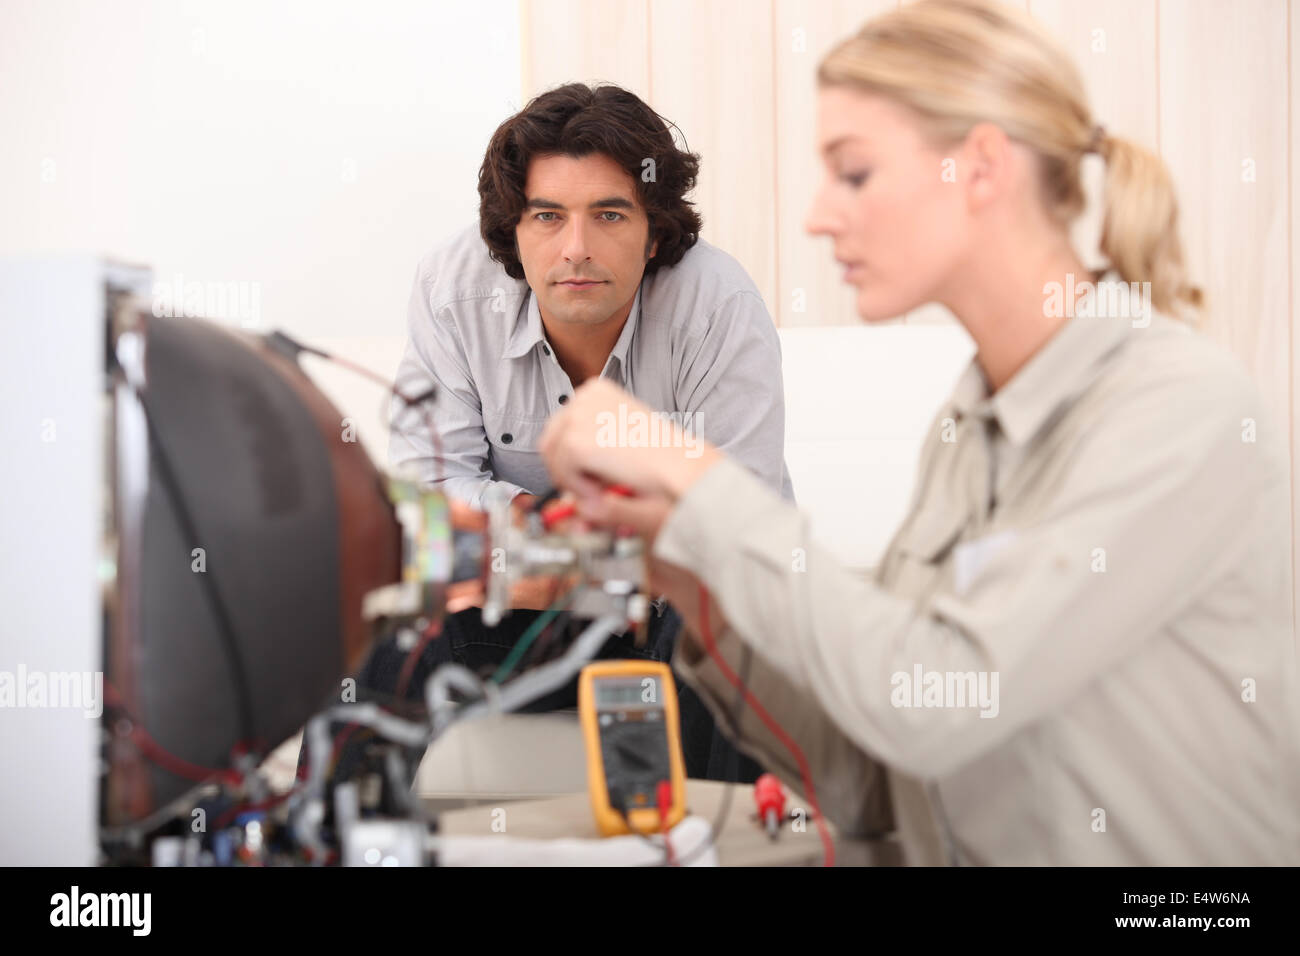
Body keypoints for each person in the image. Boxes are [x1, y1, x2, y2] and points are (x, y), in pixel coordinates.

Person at [537, 0, 1300, 865]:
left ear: (979, 167)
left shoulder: (1177, 412)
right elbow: (875, 780)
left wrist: (694, 479)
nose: (819, 215)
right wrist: (698, 584)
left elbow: (939, 702)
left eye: (853, 173)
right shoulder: (967, 429)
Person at [355, 83, 795, 784]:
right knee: (391, 605)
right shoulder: (452, 291)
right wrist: (548, 546)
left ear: (655, 233)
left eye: (610, 214)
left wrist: (574, 557)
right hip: (521, 610)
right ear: (513, 232)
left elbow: (740, 523)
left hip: (667, 610)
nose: (577, 248)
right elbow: (430, 495)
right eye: (548, 216)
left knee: (735, 613)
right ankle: (344, 837)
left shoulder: (719, 306)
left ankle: (719, 848)